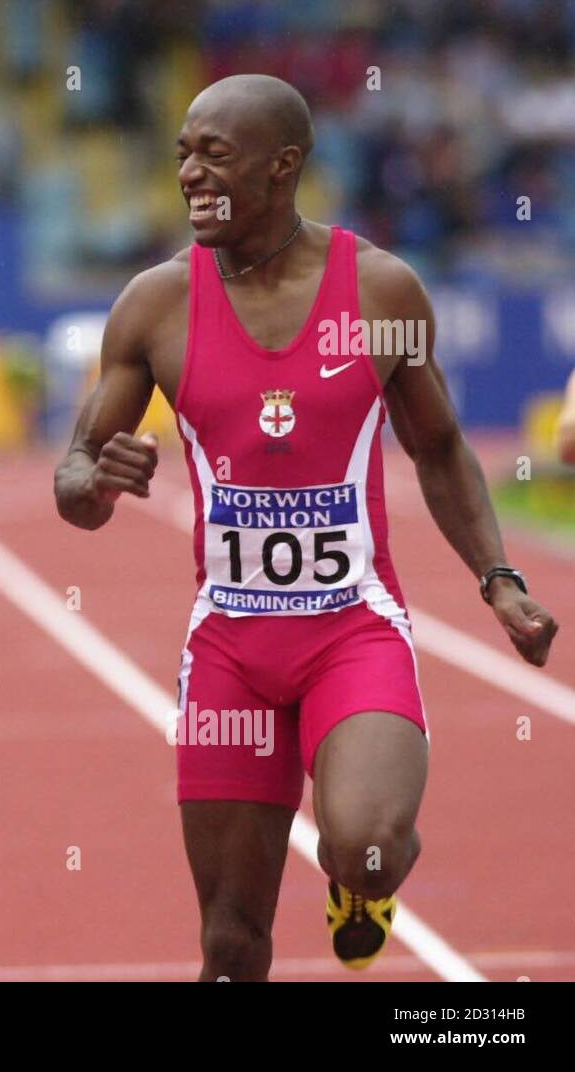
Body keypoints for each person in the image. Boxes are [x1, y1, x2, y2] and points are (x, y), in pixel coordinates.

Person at [54, 74, 558, 980]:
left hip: (352, 631)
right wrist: (96, 480)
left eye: (215, 155)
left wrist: (500, 580)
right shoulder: (156, 304)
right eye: (181, 155)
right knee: (229, 941)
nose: (189, 175)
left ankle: (360, 892)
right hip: (229, 650)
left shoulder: (382, 293)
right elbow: (77, 472)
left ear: (283, 166)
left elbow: (438, 448)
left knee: (364, 845)